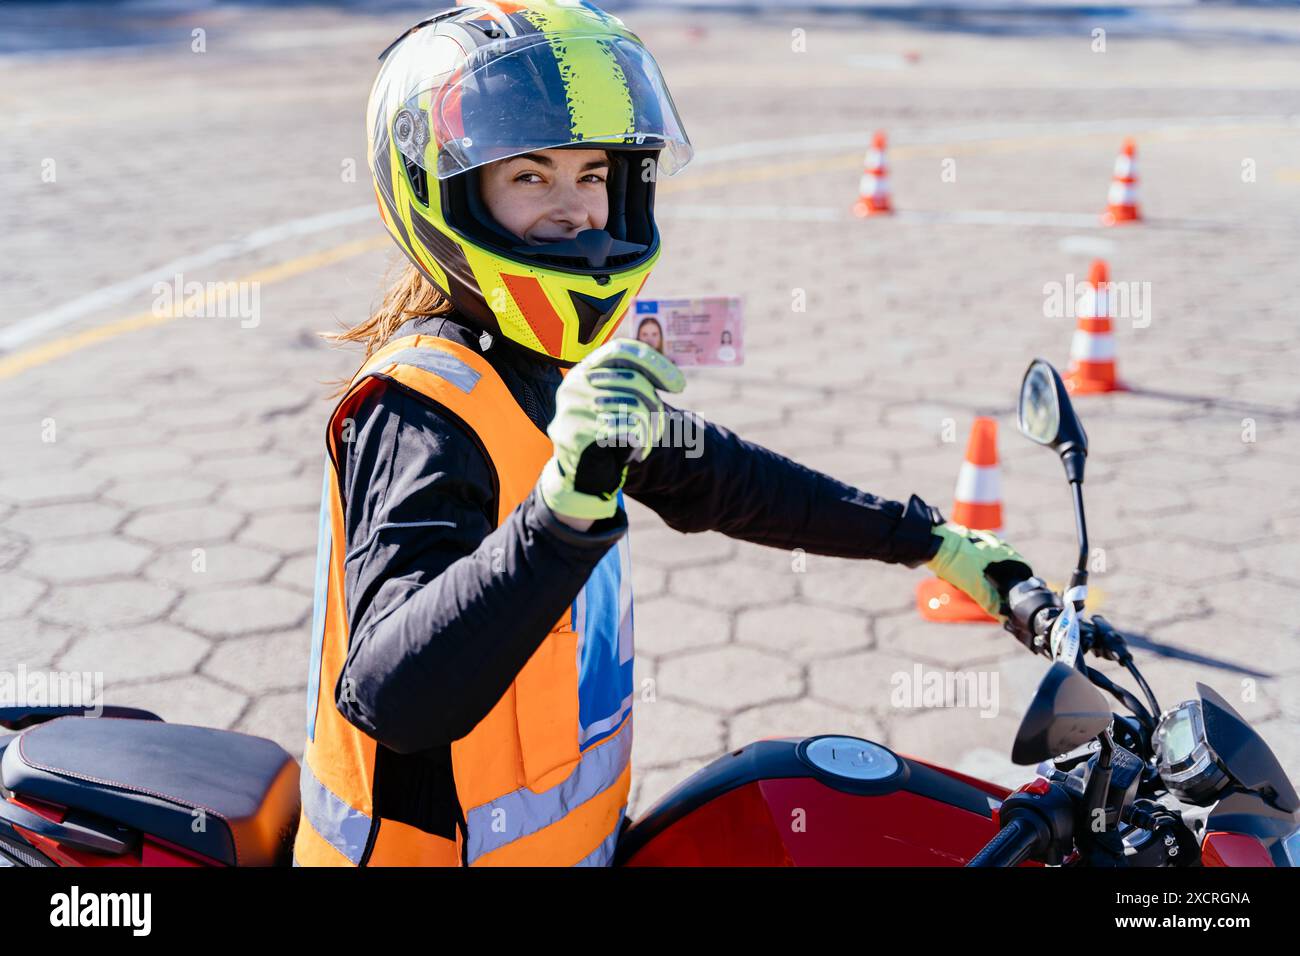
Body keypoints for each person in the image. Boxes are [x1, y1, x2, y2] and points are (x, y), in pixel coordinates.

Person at [294, 1, 1032, 868]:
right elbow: (392, 694)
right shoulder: (421, 408)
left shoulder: (551, 366)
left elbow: (721, 477)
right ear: (451, 194)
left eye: (593, 175)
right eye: (530, 177)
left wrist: (932, 541)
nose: (575, 210)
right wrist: (559, 523)